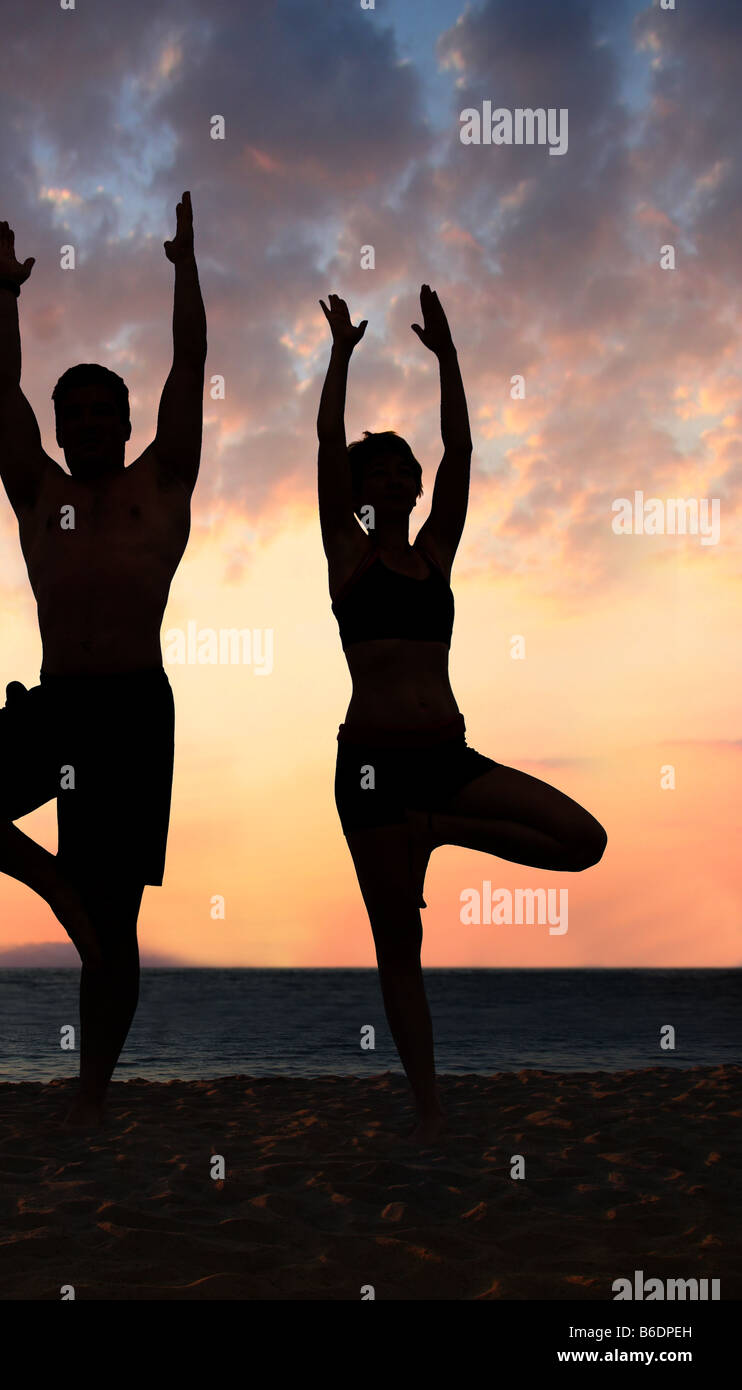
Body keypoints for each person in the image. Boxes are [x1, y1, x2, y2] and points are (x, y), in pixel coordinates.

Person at [0, 193, 206, 1127]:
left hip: (136, 712)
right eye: (76, 415)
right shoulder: (38, 495)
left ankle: (90, 1096)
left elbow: (193, 366)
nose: (89, 425)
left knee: (116, 933)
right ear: (60, 431)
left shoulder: (161, 486)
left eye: (105, 412)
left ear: (129, 425)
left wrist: (184, 268)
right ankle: (47, 880)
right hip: (54, 707)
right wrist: (3, 293)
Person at [316, 286, 606, 1144]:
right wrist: (341, 357)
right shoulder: (345, 554)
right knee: (398, 948)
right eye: (376, 472)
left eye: (399, 469)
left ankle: (442, 823)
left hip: (446, 761)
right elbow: (326, 444)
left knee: (580, 841)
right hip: (369, 773)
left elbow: (464, 448)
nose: (390, 477)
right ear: (362, 491)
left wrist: (447, 357)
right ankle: (429, 1107)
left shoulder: (437, 554)